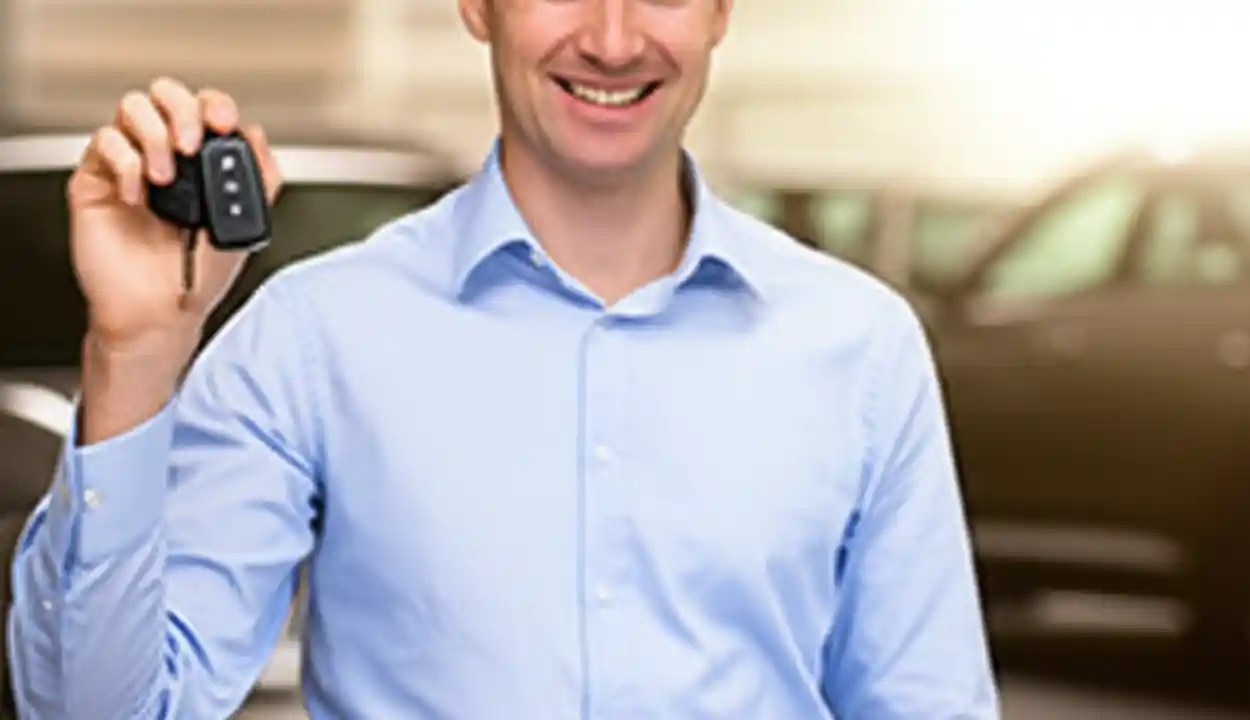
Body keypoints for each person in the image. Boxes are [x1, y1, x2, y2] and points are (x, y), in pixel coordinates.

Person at [6, 1, 999, 717]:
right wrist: (134, 354)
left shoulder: (859, 347)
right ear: (474, 5)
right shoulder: (316, 337)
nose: (612, 39)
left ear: (720, 10)